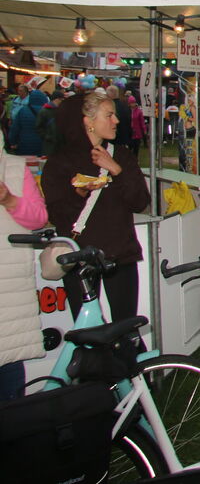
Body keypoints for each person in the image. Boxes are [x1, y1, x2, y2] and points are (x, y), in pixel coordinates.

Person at [42, 92, 151, 321]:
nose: (116, 121)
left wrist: (116, 171)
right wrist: (80, 193)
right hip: (79, 258)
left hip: (120, 257)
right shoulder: (60, 162)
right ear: (88, 121)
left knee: (125, 326)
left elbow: (140, 202)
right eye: (109, 115)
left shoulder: (121, 155)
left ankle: (128, 357)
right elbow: (56, 214)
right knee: (88, 329)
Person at [0, 130, 49, 400]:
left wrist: (9, 200)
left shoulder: (16, 169)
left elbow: (39, 219)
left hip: (10, 298)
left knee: (9, 397)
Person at [35, 90, 65, 156]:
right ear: (57, 99)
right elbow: (39, 127)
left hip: (60, 145)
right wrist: (47, 137)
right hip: (49, 145)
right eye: (62, 100)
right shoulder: (44, 111)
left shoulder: (62, 110)